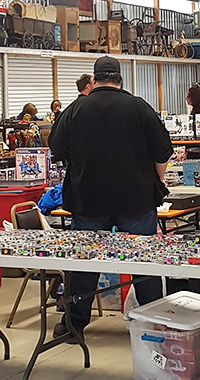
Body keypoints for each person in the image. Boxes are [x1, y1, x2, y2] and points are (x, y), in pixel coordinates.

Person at [49, 55, 173, 338]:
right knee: (144, 261)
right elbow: (163, 150)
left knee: (85, 263)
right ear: (119, 79)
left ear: (94, 80)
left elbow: (57, 148)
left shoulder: (75, 109)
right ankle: (156, 325)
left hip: (88, 200)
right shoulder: (138, 107)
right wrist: (156, 181)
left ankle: (74, 325)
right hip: (136, 199)